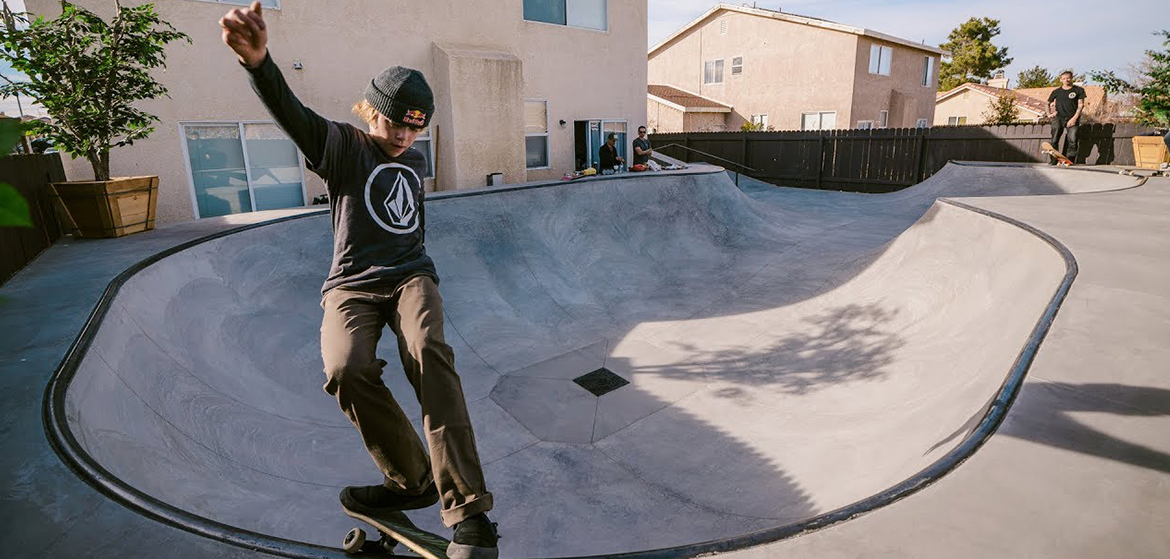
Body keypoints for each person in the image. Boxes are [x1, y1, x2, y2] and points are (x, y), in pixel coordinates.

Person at [219, 4, 498, 558]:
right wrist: (259, 65)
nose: (402, 137)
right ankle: (411, 479)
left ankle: (467, 512)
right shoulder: (343, 145)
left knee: (430, 356)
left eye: (415, 128)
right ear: (370, 111)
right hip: (350, 284)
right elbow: (293, 115)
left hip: (412, 275)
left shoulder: (414, 161)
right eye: (394, 124)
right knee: (345, 368)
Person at [1047, 70, 1086, 164]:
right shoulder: (1056, 91)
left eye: (1068, 78)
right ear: (1061, 80)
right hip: (1058, 118)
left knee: (1072, 140)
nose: (1066, 80)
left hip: (1072, 118)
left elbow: (1081, 105)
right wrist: (1049, 114)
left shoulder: (1078, 90)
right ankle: (1053, 160)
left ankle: (1069, 160)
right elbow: (1047, 103)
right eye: (1064, 78)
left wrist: (1074, 118)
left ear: (1071, 78)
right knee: (1054, 140)